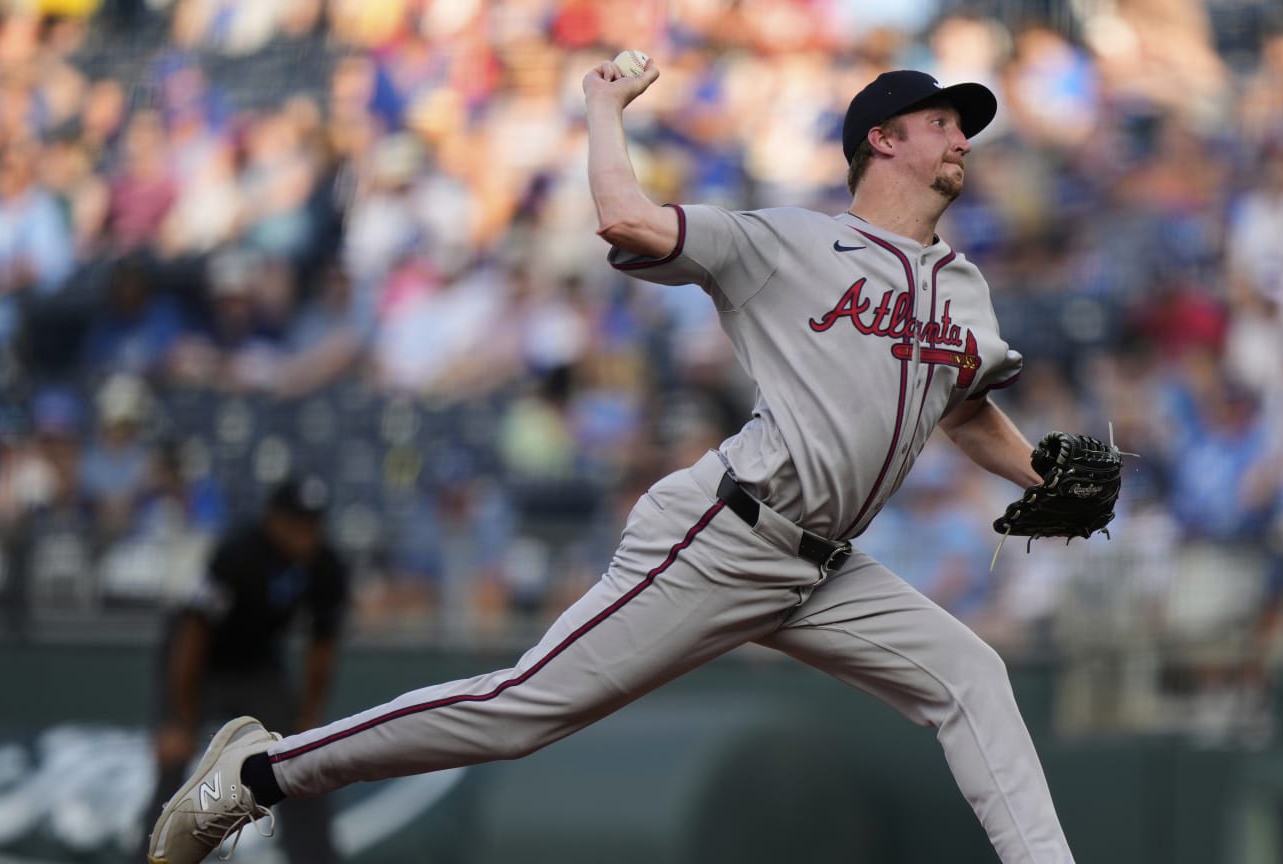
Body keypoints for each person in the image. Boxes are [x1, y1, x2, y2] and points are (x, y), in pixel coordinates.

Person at [148, 59, 1077, 864]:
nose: (963, 139)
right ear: (883, 139)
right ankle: (260, 772)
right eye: (944, 122)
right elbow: (625, 220)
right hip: (728, 534)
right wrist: (602, 107)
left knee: (972, 676)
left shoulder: (961, 287)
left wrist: (1049, 479)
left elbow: (965, 411)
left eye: (964, 126)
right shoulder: (789, 242)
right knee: (519, 712)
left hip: (828, 571)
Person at [142, 473, 348, 864]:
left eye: (314, 524)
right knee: (175, 761)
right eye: (297, 522)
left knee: (302, 760)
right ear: (274, 519)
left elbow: (322, 649)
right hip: (202, 665)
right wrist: (177, 719)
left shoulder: (326, 566)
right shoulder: (237, 552)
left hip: (258, 666)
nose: (307, 533)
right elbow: (191, 637)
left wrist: (308, 717)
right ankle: (153, 858)